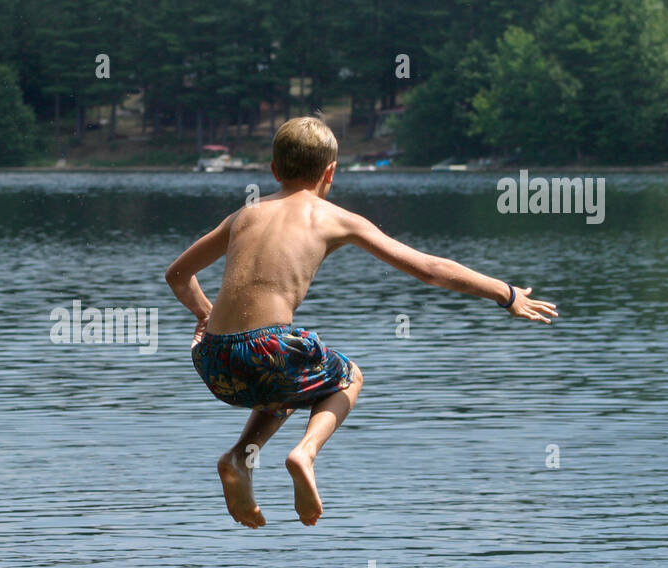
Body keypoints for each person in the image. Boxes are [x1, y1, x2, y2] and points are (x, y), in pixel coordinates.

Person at [166, 116, 558, 528]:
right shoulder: (335, 218)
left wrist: (205, 315)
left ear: (274, 170)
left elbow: (177, 275)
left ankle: (239, 458)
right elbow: (429, 268)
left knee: (287, 382)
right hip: (271, 353)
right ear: (331, 172)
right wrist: (505, 292)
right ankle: (305, 454)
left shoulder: (243, 215)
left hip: (213, 362)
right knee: (348, 376)